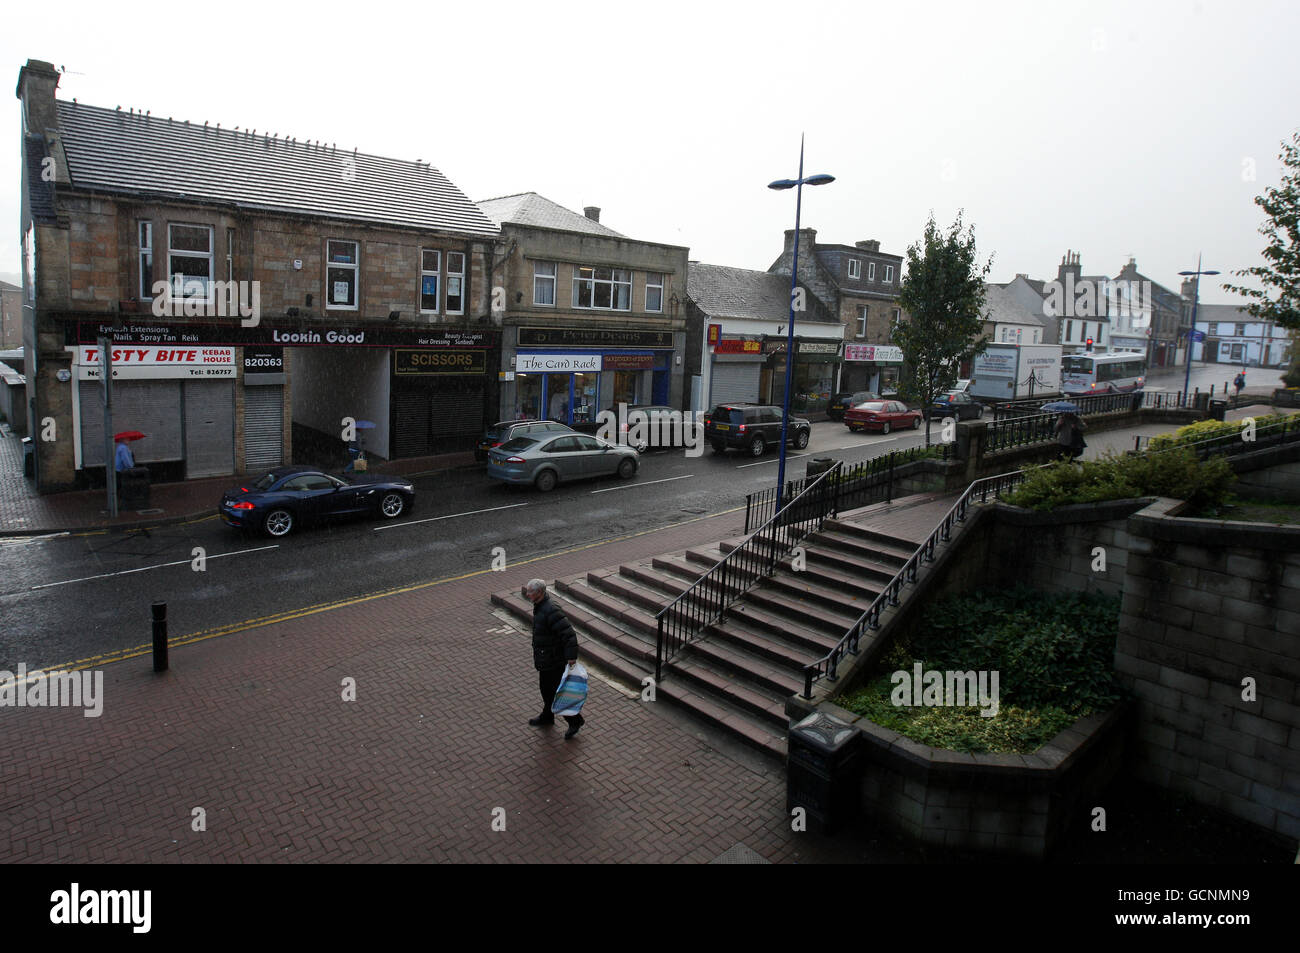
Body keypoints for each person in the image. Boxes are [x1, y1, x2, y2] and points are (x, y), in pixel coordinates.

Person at [523, 578, 584, 739]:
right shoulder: (540, 607)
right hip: (545, 660)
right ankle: (547, 716)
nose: (527, 594)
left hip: (554, 661)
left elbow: (569, 635)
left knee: (559, 693)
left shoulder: (550, 610)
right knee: (546, 690)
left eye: (530, 592)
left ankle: (575, 720)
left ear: (540, 592)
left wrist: (571, 657)